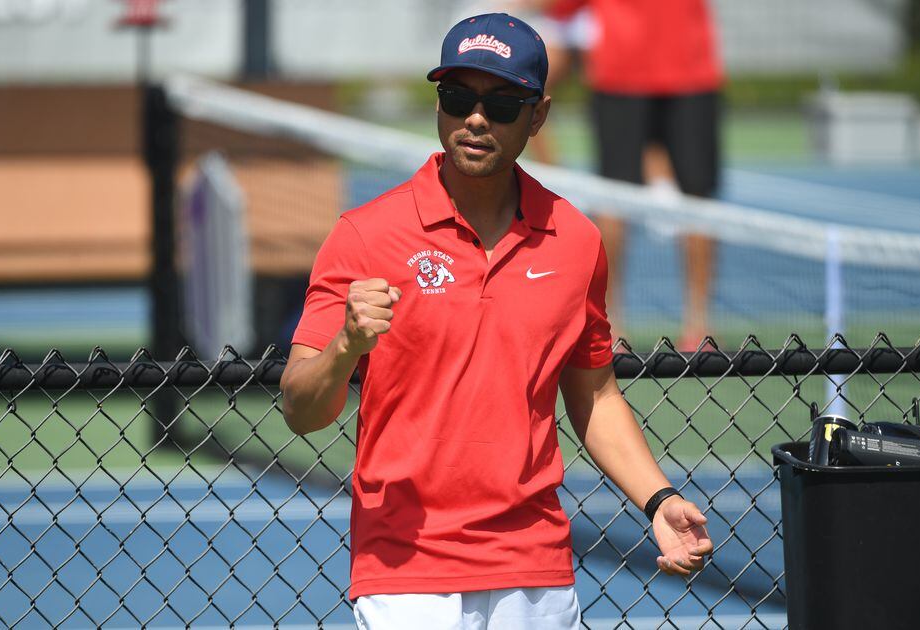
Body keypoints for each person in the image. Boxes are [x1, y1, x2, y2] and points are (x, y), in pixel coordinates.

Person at [280, 13, 712, 629]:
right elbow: (301, 410)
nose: (475, 118)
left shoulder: (576, 241)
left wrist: (658, 499)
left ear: (537, 117)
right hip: (406, 571)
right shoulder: (364, 236)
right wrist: (346, 344)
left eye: (503, 104)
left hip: (535, 567)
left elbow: (594, 394)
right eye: (458, 98)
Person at [547, 0, 724, 351]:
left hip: (656, 70)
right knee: (684, 202)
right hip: (646, 69)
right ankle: (696, 327)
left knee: (628, 202)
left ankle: (618, 329)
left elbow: (562, 7)